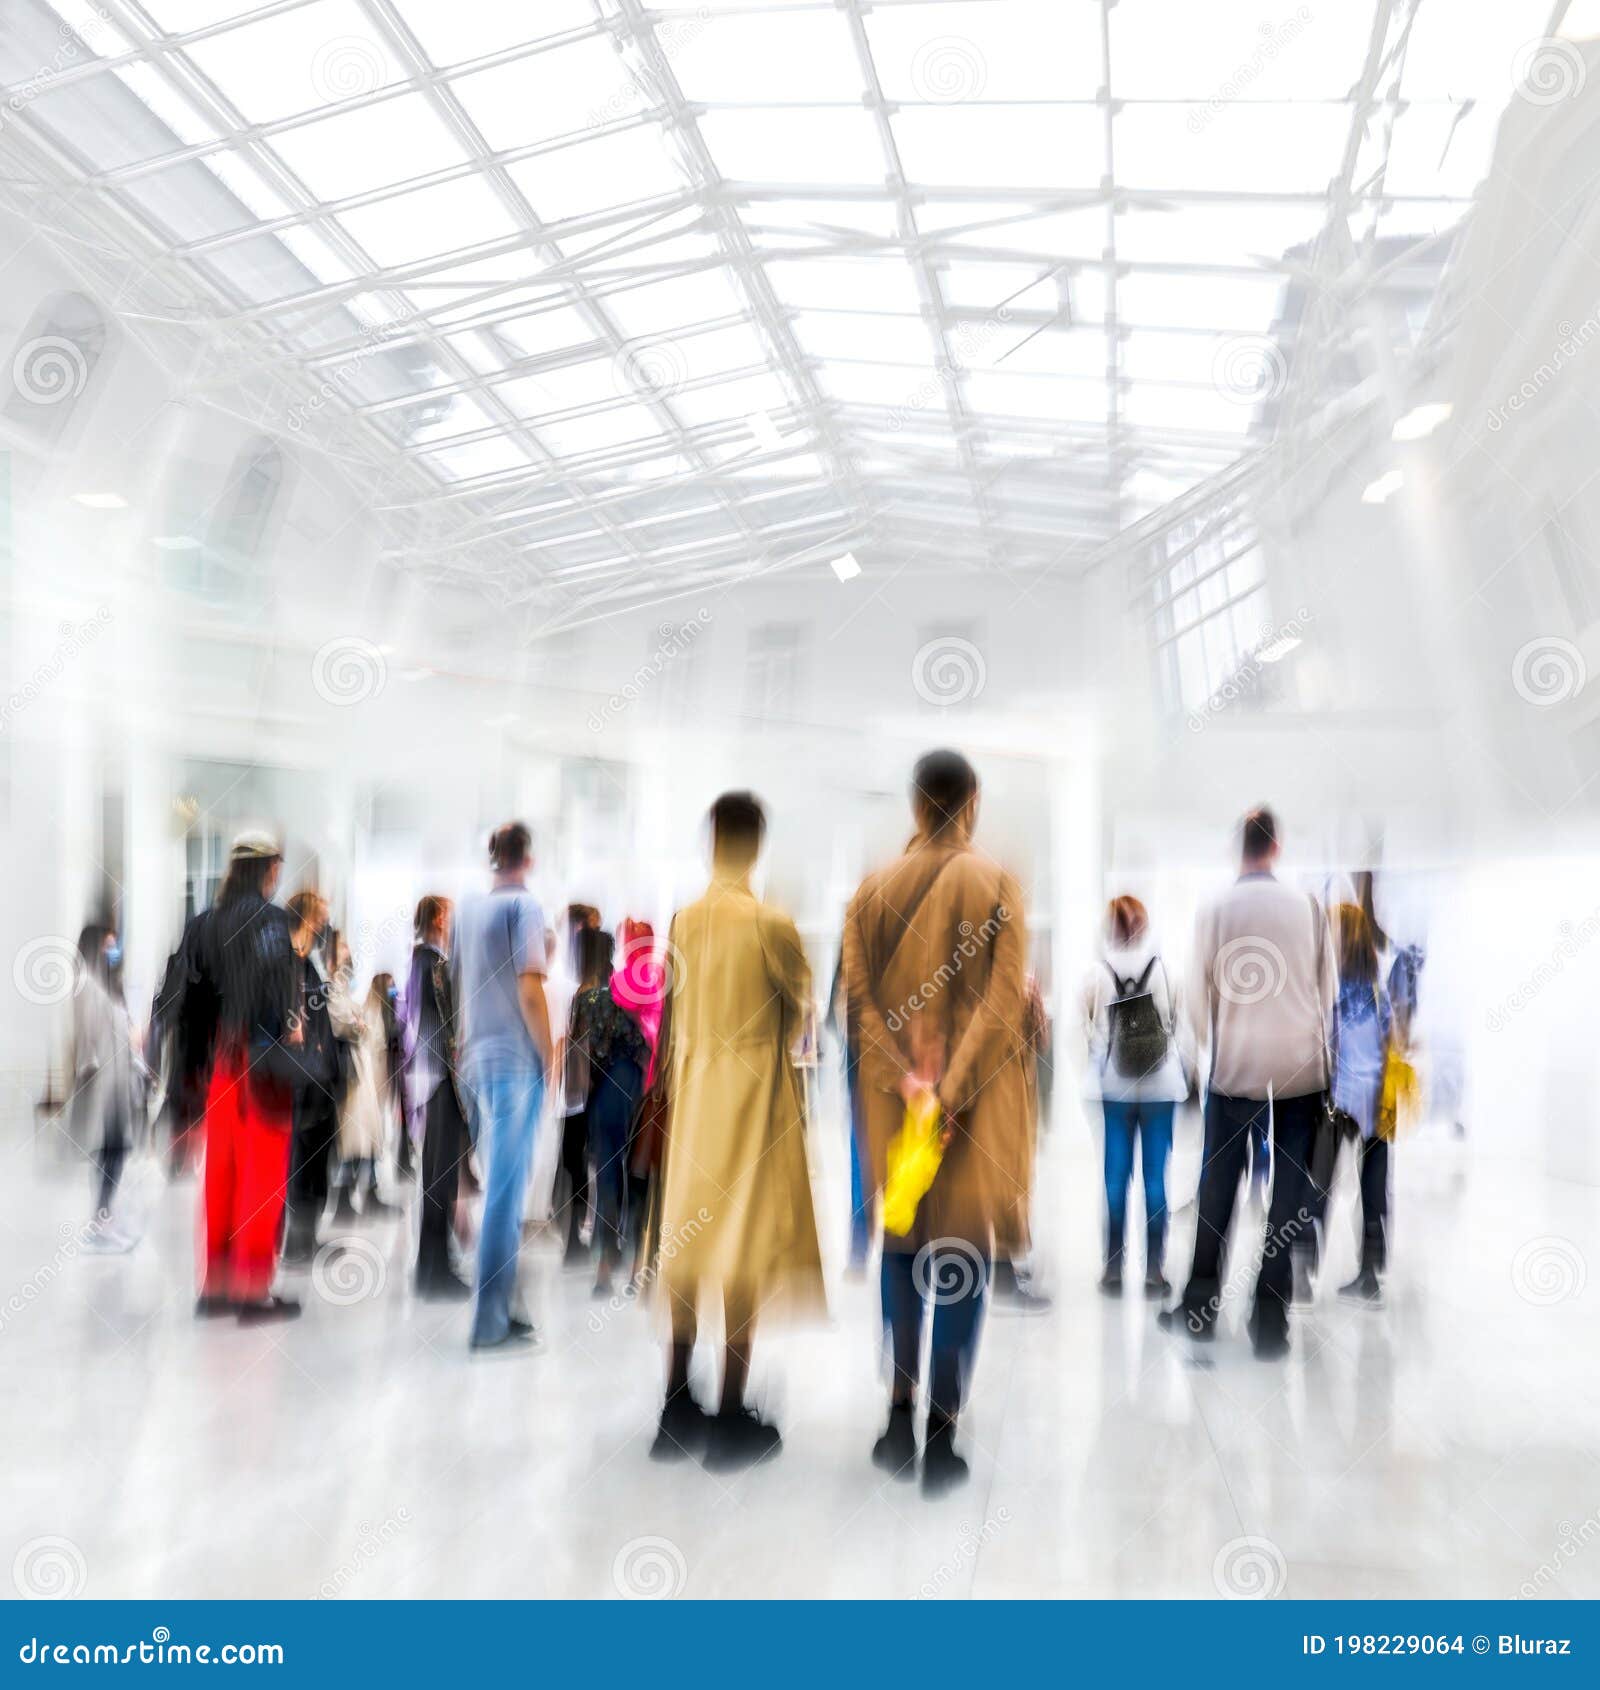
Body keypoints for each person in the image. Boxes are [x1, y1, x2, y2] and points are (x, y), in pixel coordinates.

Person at [843, 749, 1030, 1494]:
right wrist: (950, 1091)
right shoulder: (997, 885)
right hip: (972, 1113)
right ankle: (943, 1437)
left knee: (899, 1251)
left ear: (915, 805)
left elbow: (857, 1004)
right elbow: (1002, 1004)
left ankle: (897, 1414)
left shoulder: (868, 893)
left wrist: (908, 1084)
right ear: (973, 801)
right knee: (959, 1263)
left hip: (895, 1112)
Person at [648, 792, 824, 1468]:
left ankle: (674, 1407)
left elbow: (672, 1009)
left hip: (694, 1101)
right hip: (751, 1105)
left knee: (689, 1249)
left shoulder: (684, 921)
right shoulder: (772, 922)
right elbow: (800, 1010)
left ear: (711, 840)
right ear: (756, 846)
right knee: (741, 1252)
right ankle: (728, 1414)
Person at [1161, 806, 1337, 1359]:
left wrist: (1209, 1044)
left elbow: (1195, 993)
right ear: (1277, 848)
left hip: (1235, 1068)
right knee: (1288, 1193)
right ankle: (1269, 1321)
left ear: (1240, 848)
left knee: (1218, 1189)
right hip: (1300, 1071)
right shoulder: (1308, 907)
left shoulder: (1214, 908)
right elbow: (1326, 988)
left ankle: (1199, 1309)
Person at [192, 831, 301, 1322]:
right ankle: (252, 1291)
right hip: (263, 1061)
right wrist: (292, 1028)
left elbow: (187, 999)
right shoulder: (272, 922)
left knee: (222, 1173)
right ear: (268, 868)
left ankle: (215, 1288)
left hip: (222, 1062)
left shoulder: (206, 925)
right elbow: (280, 993)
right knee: (262, 1176)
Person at [453, 822, 552, 1353]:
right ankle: (490, 1323)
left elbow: (460, 986)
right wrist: (551, 1055)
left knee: (500, 1190)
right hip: (516, 1061)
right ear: (528, 861)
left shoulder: (467, 913)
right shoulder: (525, 909)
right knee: (505, 1197)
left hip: (477, 1061)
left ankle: (506, 1309)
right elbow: (531, 990)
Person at [1079, 896, 1191, 1298]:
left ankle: (1112, 1268)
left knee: (1114, 1177)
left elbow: (1088, 1027)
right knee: (1156, 1179)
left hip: (1114, 1088)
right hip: (1162, 1087)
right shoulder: (1167, 971)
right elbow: (1179, 1025)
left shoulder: (1096, 974)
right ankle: (1155, 1273)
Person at [1314, 902, 1394, 1306]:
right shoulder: (1378, 979)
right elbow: (1389, 1034)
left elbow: (1324, 1038)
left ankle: (1302, 1270)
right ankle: (1370, 1274)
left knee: (1320, 1182)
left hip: (1339, 1096)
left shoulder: (1330, 980)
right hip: (1377, 1099)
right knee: (1374, 1187)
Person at [569, 927, 651, 1297]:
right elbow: (646, 1044)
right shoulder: (628, 993)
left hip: (601, 1093)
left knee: (606, 1177)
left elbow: (579, 1055)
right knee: (637, 1176)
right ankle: (638, 1269)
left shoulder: (583, 1000)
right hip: (633, 1088)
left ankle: (604, 1269)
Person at [401, 896, 472, 1301]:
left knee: (438, 1177)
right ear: (440, 917)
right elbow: (447, 1026)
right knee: (439, 1178)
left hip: (428, 1079)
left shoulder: (421, 963)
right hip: (439, 1079)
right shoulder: (433, 965)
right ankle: (433, 1269)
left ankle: (434, 1265)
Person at [280, 892, 349, 1265]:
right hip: (302, 1085)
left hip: (319, 1083)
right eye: (320, 917)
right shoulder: (289, 965)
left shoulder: (307, 965)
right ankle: (296, 1244)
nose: (324, 924)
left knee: (317, 1163)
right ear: (306, 917)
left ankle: (308, 1238)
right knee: (303, 1164)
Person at [71, 924, 137, 1252]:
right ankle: (101, 1222)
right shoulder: (85, 984)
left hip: (118, 1082)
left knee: (117, 1151)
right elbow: (89, 1037)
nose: (113, 952)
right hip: (102, 1083)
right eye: (108, 946)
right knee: (109, 1151)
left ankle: (106, 1216)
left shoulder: (111, 987)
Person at [331, 970, 400, 1222]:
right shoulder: (344, 976)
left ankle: (369, 1191)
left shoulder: (376, 986)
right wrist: (356, 1024)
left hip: (371, 1066)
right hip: (355, 1070)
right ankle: (343, 1200)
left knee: (369, 1134)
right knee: (353, 1137)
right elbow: (339, 1016)